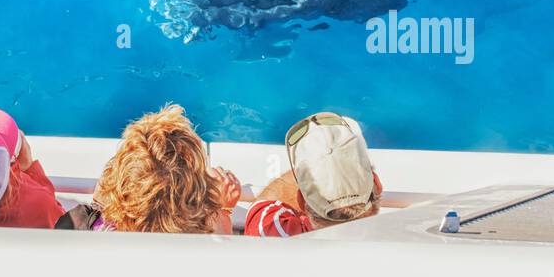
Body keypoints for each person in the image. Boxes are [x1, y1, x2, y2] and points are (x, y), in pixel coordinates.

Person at [66, 104, 241, 233]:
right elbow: (220, 249)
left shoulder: (78, 223)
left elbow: (101, 197)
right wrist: (223, 210)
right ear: (195, 203)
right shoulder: (198, 252)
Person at [244, 111, 382, 238]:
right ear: (377, 184)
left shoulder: (272, 235)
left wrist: (318, 170)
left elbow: (264, 203)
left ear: (301, 200)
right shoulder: (396, 245)